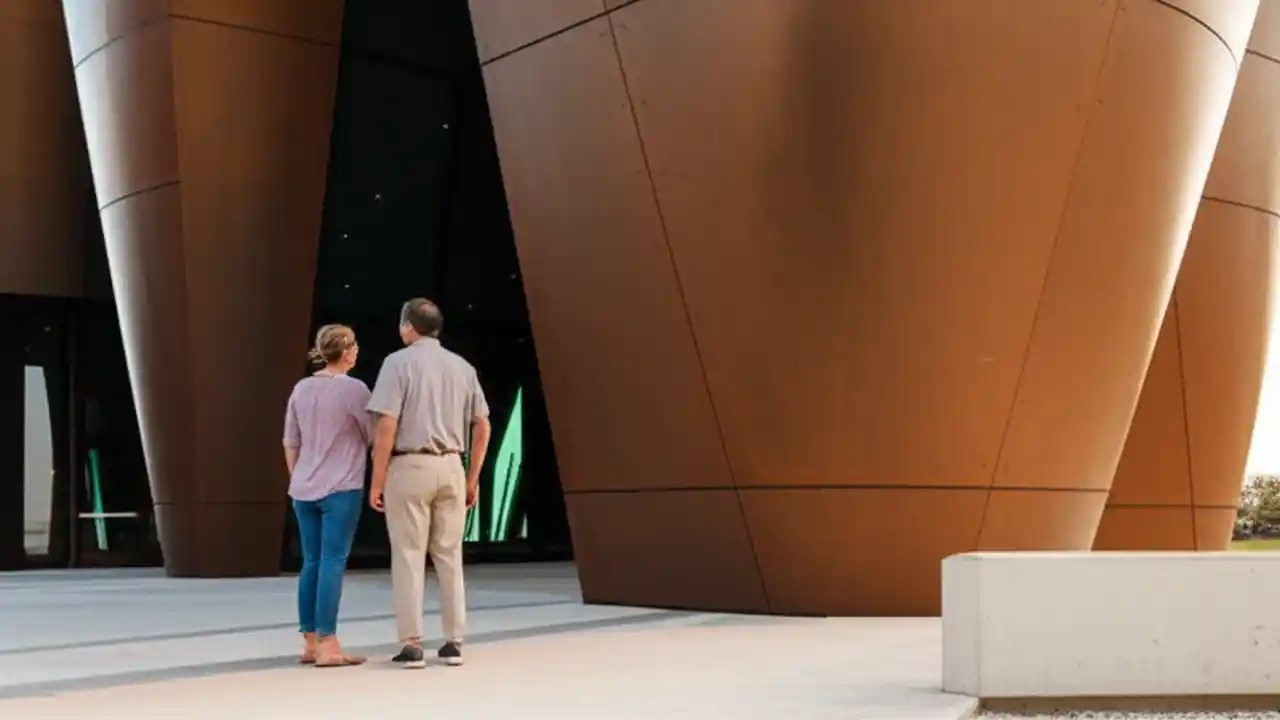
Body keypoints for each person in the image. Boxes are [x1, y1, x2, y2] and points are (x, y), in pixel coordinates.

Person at [367, 298, 491, 669]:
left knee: (408, 554)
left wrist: (377, 479)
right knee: (449, 555)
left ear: (408, 326)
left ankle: (413, 643)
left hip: (410, 465)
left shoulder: (397, 363)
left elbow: (386, 424)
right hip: (452, 465)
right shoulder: (462, 367)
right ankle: (454, 640)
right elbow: (482, 424)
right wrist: (473, 477)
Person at [283, 324, 373, 668]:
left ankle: (309, 640)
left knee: (312, 562)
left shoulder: (301, 389)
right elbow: (372, 435)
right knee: (333, 562)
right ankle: (328, 643)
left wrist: (300, 477)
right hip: (341, 488)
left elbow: (290, 441)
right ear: (348, 351)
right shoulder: (355, 390)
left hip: (303, 487)